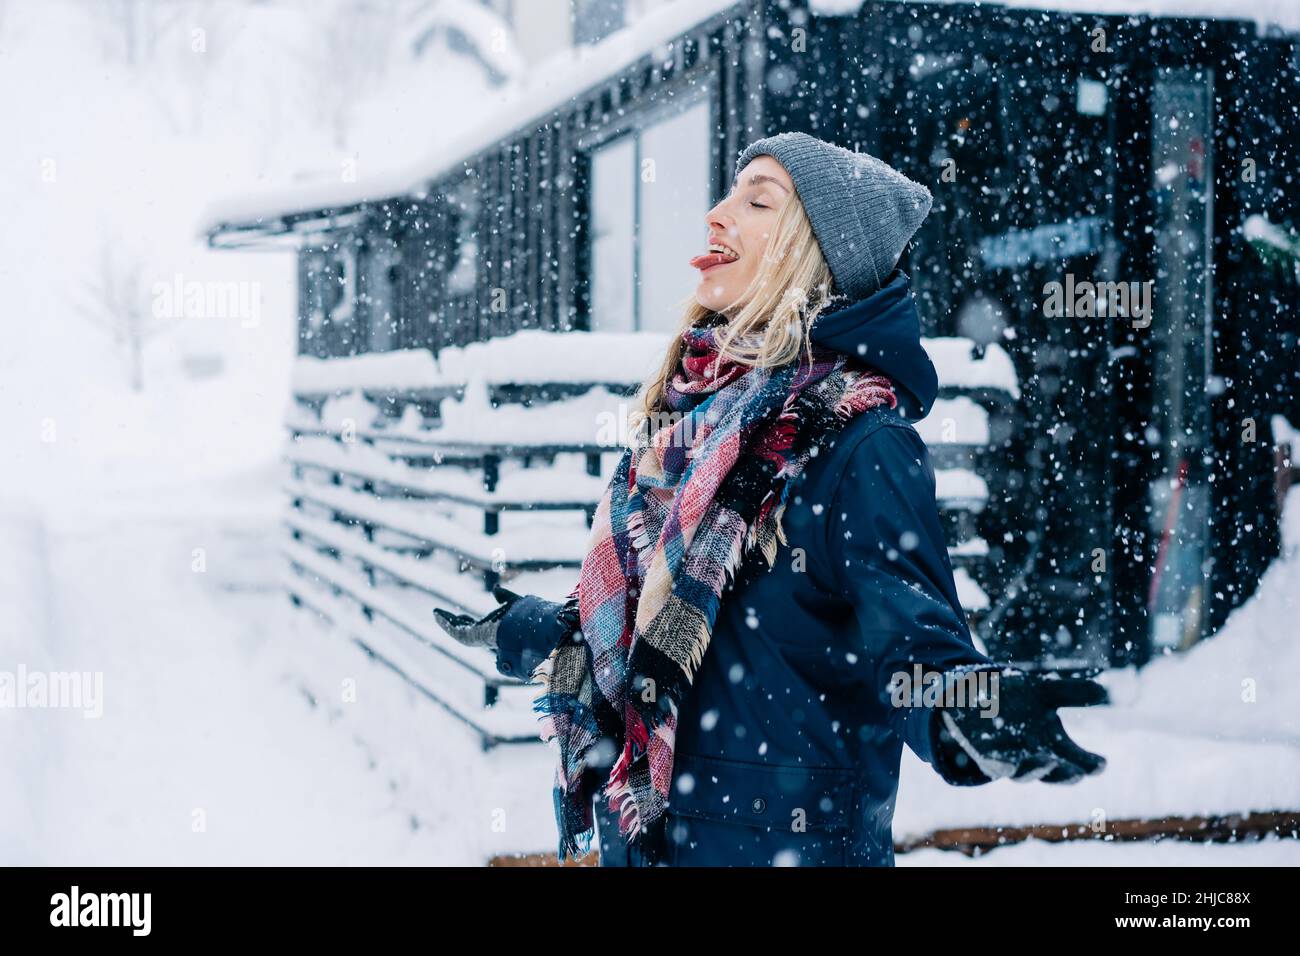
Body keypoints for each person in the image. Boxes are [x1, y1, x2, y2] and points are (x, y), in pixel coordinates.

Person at [434, 131, 1107, 867]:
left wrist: (967, 705)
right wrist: (539, 631)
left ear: (816, 253)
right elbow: (671, 634)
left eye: (758, 201)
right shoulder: (694, 426)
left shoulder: (859, 446)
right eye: (728, 193)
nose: (718, 215)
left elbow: (912, 642)